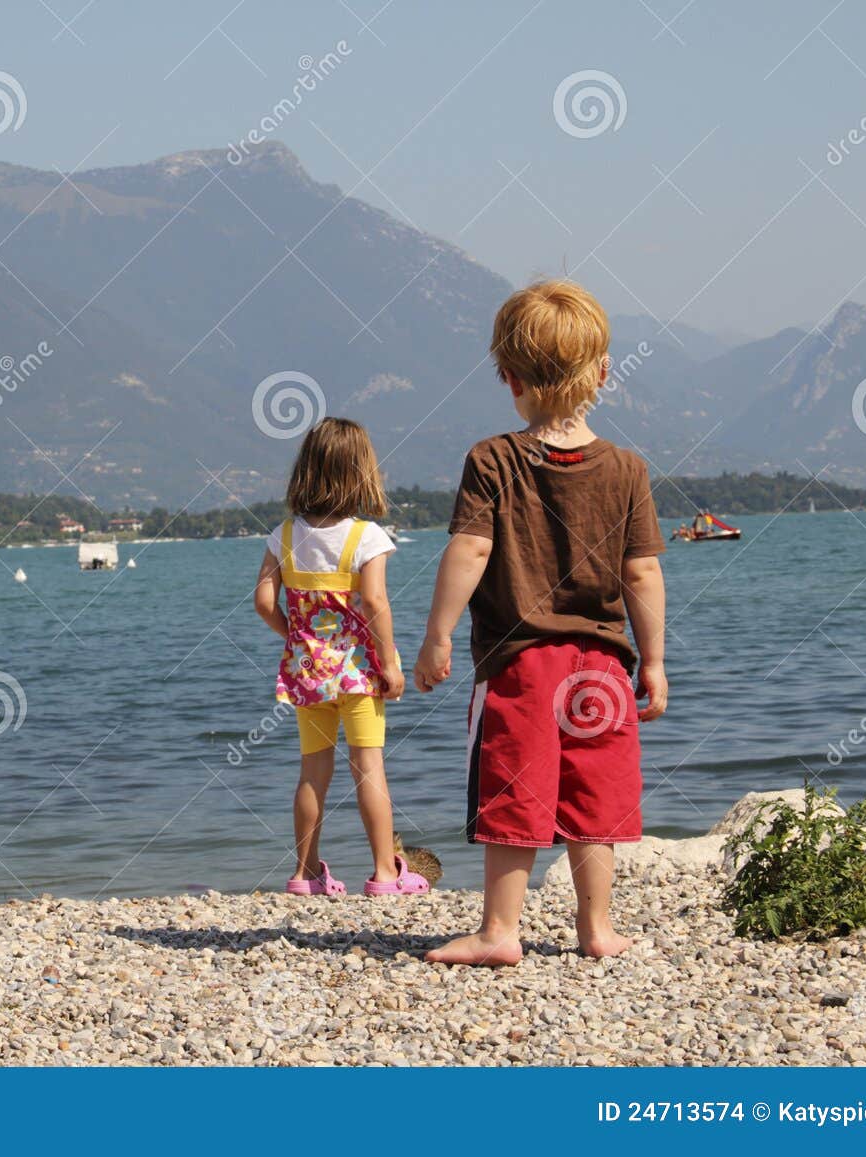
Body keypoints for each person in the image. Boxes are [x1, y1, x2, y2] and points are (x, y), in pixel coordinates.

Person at [412, 280, 668, 965]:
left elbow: (470, 549)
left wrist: (437, 634)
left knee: (514, 789)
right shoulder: (628, 469)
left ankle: (500, 931)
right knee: (596, 796)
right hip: (606, 668)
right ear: (605, 373)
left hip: (521, 663)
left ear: (509, 377)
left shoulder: (492, 459)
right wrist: (657, 661)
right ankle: (598, 929)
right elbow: (642, 573)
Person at [253, 417, 429, 898]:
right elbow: (373, 603)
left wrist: (296, 638)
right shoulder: (365, 538)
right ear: (361, 473)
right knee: (368, 766)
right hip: (357, 675)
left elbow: (264, 602)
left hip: (308, 675)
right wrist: (389, 661)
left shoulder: (284, 536)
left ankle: (306, 873)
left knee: (313, 771)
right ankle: (385, 874)